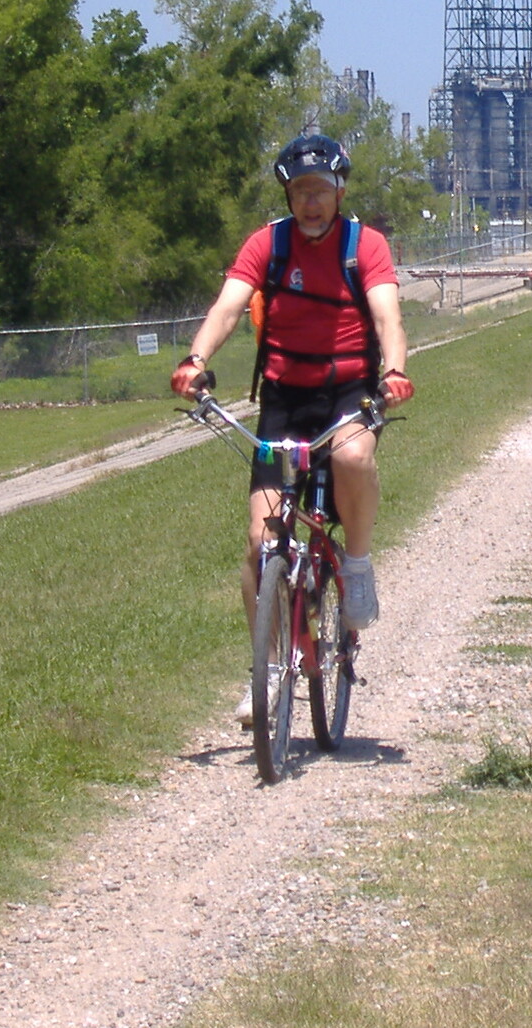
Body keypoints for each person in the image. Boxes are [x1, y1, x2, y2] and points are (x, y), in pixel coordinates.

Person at [171, 133, 412, 725]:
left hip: (346, 393)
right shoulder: (268, 245)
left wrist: (396, 370)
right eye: (300, 192)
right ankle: (270, 671)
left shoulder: (365, 246)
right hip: (283, 397)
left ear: (340, 192)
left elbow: (387, 314)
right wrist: (196, 360)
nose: (310, 203)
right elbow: (228, 306)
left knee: (354, 460)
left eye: (321, 191)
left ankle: (355, 565)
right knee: (260, 544)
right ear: (287, 194)